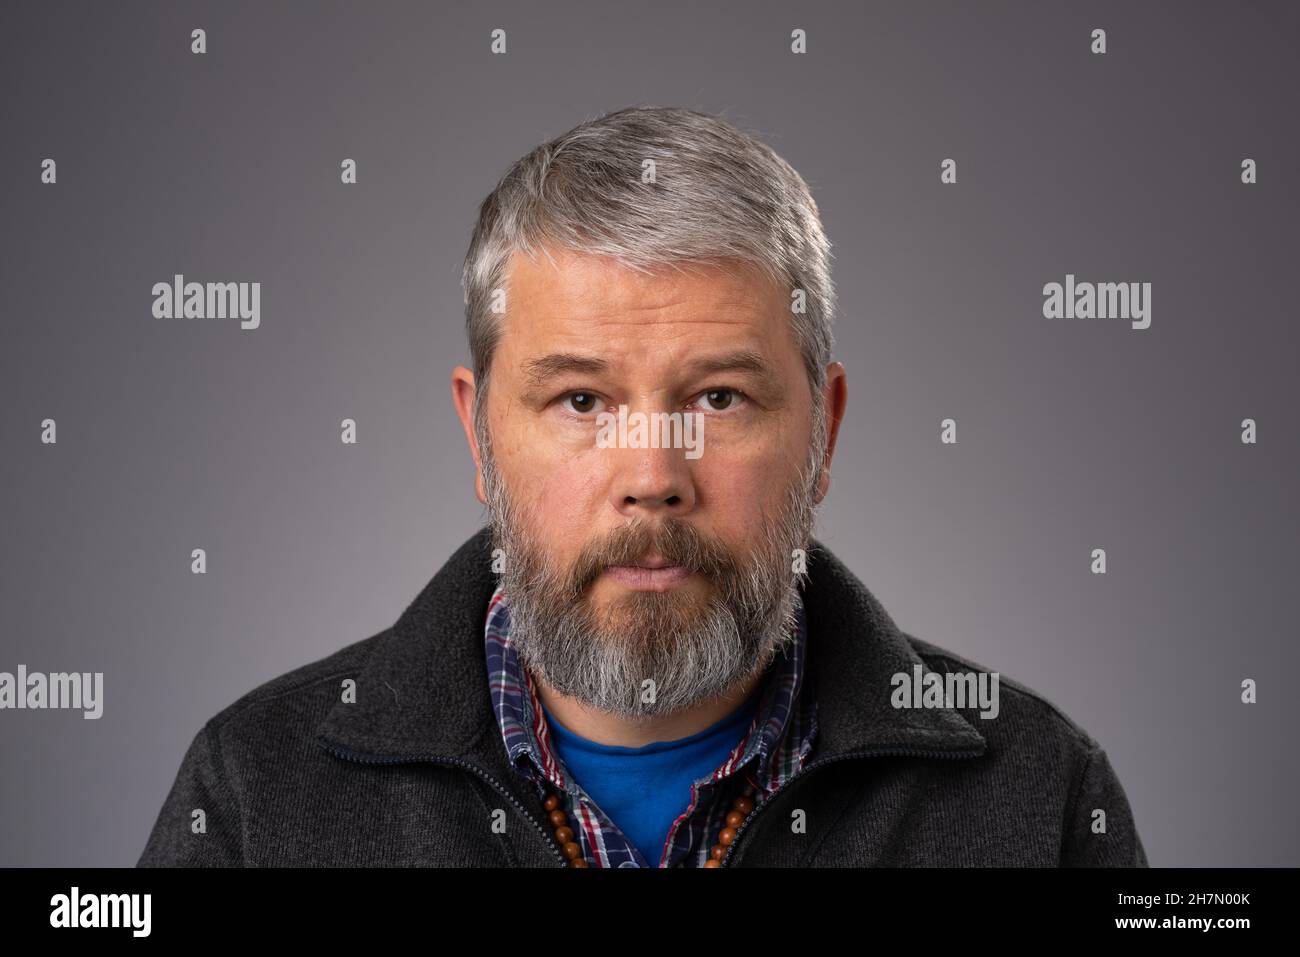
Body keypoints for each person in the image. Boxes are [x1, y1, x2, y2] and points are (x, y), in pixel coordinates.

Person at [138, 105, 1146, 867]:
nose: (653, 477)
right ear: (479, 435)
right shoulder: (255, 794)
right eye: (580, 401)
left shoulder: (1038, 796)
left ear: (824, 429)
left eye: (717, 397)